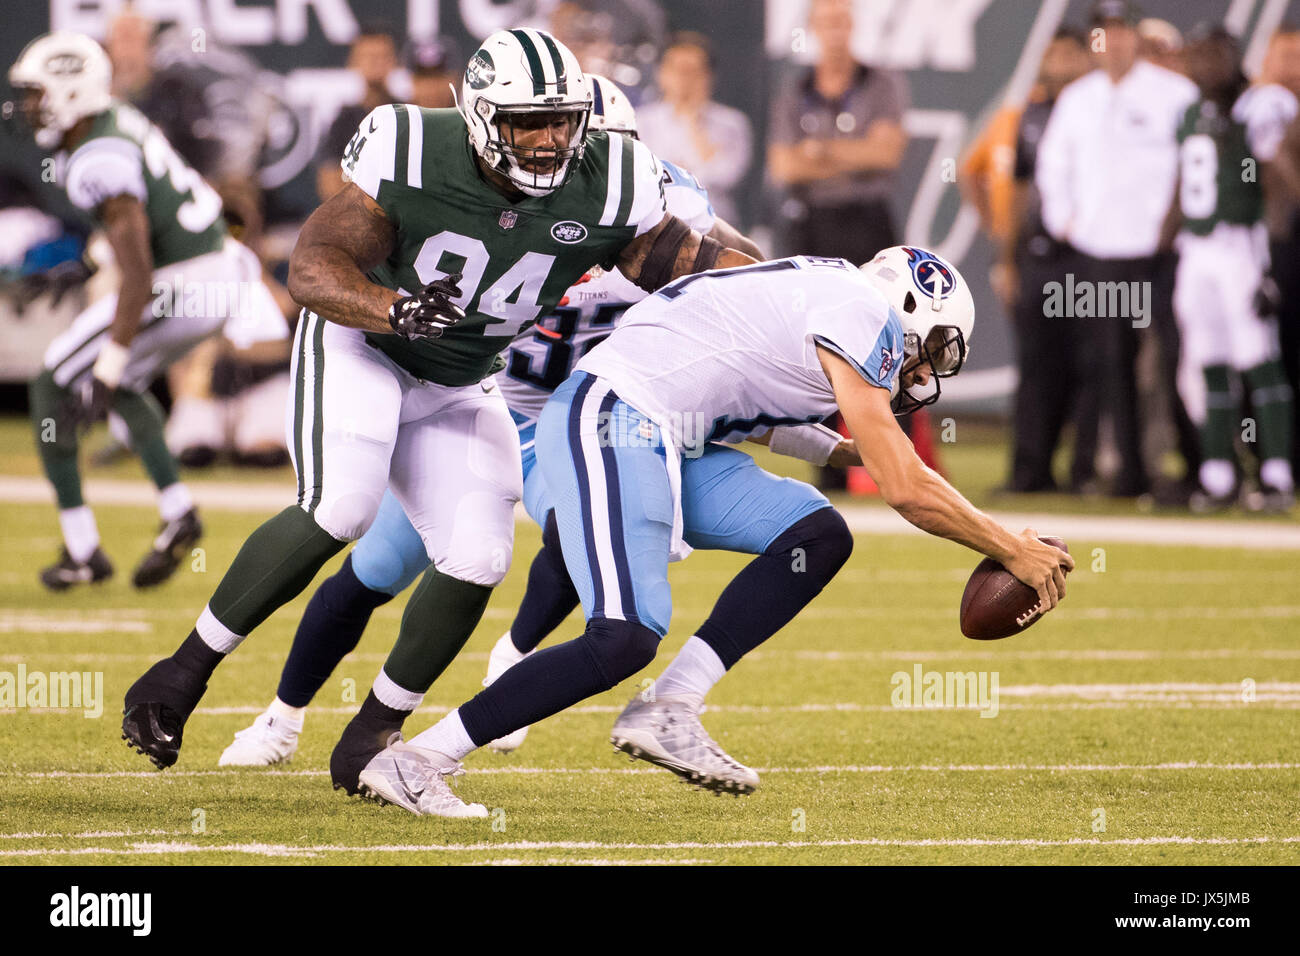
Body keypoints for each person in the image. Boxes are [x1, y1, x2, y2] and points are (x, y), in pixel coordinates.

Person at [121, 30, 756, 772]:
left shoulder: (612, 179)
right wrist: (392, 308)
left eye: (562, 121)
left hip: (461, 378)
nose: (550, 141)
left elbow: (689, 264)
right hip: (365, 348)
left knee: (479, 556)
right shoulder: (413, 146)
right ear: (482, 117)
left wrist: (786, 292)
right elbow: (314, 266)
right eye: (528, 123)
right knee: (342, 508)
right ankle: (179, 675)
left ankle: (373, 739)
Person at [356, 247, 1074, 817]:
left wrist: (849, 452)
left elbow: (748, 401)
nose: (922, 371)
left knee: (817, 533)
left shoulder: (827, 294)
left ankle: (670, 705)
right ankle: (418, 758)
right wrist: (1010, 547)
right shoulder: (863, 312)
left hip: (665, 432)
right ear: (909, 308)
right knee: (624, 636)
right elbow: (906, 488)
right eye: (932, 348)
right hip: (615, 420)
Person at [9, 32, 286, 590]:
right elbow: (142, 223)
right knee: (127, 382)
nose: (28, 107)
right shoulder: (115, 122)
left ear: (70, 93)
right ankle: (178, 513)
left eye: (37, 94)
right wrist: (84, 266)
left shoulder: (95, 157)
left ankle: (82, 549)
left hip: (181, 282)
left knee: (52, 383)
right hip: (213, 272)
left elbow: (137, 274)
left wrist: (105, 369)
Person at [1035, 0, 1200, 498]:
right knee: (1112, 363)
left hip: (1164, 252)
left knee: (1179, 360)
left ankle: (1199, 470)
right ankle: (1131, 476)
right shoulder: (1077, 98)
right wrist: (1066, 222)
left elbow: (1195, 162)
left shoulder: (1175, 93)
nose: (1114, 42)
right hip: (1103, 253)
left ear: (1135, 36)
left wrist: (1178, 224)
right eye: (1104, 33)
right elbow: (1053, 166)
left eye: (1122, 31)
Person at [1163, 26, 1295, 511]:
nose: (1205, 65)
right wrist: (1162, 242)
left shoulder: (1256, 105)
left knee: (1259, 358)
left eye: (1214, 54)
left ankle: (1276, 474)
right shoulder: (1189, 112)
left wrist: (1271, 257)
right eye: (1197, 55)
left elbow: (1277, 182)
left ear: (1233, 56)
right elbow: (1183, 183)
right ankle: (1218, 474)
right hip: (1196, 251)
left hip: (1240, 244)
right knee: (1209, 360)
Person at [972, 28, 1091, 492]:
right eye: (1052, 53)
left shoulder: (1100, 110)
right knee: (1036, 366)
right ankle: (1029, 472)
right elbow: (1018, 190)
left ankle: (1087, 473)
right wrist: (1007, 257)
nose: (1059, 62)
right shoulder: (1030, 114)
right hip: (1038, 256)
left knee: (1092, 367)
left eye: (1068, 53)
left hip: (1092, 259)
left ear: (1086, 59)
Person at [767, 0, 909, 264]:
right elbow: (784, 167)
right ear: (813, 27)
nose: (834, 31)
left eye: (840, 21)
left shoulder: (881, 84)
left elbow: (884, 155)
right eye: (826, 22)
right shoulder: (795, 90)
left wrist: (818, 151)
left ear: (852, 24)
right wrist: (858, 158)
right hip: (811, 223)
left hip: (868, 221)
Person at [636, 32, 753, 225]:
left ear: (709, 76)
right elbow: (641, 179)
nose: (684, 78)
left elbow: (725, 176)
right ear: (661, 74)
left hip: (715, 223)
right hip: (657, 223)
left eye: (693, 71)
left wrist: (694, 122)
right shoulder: (641, 121)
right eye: (677, 69)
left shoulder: (732, 123)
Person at [314, 22, 399, 203]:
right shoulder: (342, 122)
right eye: (368, 57)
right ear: (353, 62)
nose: (375, 63)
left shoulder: (408, 114)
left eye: (382, 56)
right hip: (358, 214)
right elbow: (329, 187)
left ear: (394, 61)